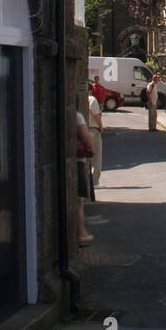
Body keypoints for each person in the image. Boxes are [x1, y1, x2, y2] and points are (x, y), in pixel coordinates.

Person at [76, 107, 95, 245]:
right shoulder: (77, 116)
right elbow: (86, 138)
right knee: (78, 201)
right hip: (78, 161)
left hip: (74, 160)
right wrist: (91, 136)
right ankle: (81, 234)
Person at [87, 85, 103, 189]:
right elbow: (96, 114)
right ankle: (95, 182)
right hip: (93, 128)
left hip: (83, 128)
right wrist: (101, 126)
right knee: (96, 157)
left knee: (87, 157)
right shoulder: (92, 99)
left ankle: (88, 180)